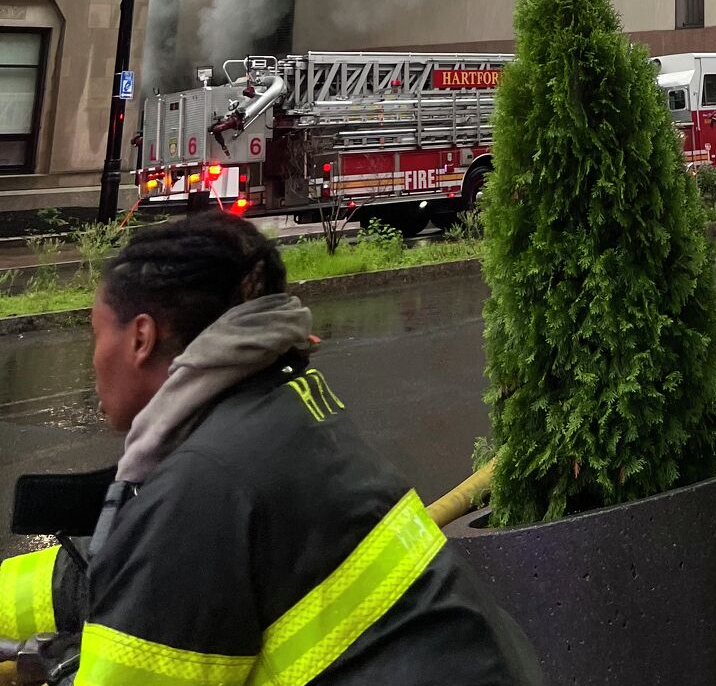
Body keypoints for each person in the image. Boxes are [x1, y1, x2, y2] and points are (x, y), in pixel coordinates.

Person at [0, 212, 539, 683]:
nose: (93, 361)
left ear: (140, 338)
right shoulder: (284, 410)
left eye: (96, 334)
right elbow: (141, 568)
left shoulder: (205, 483)